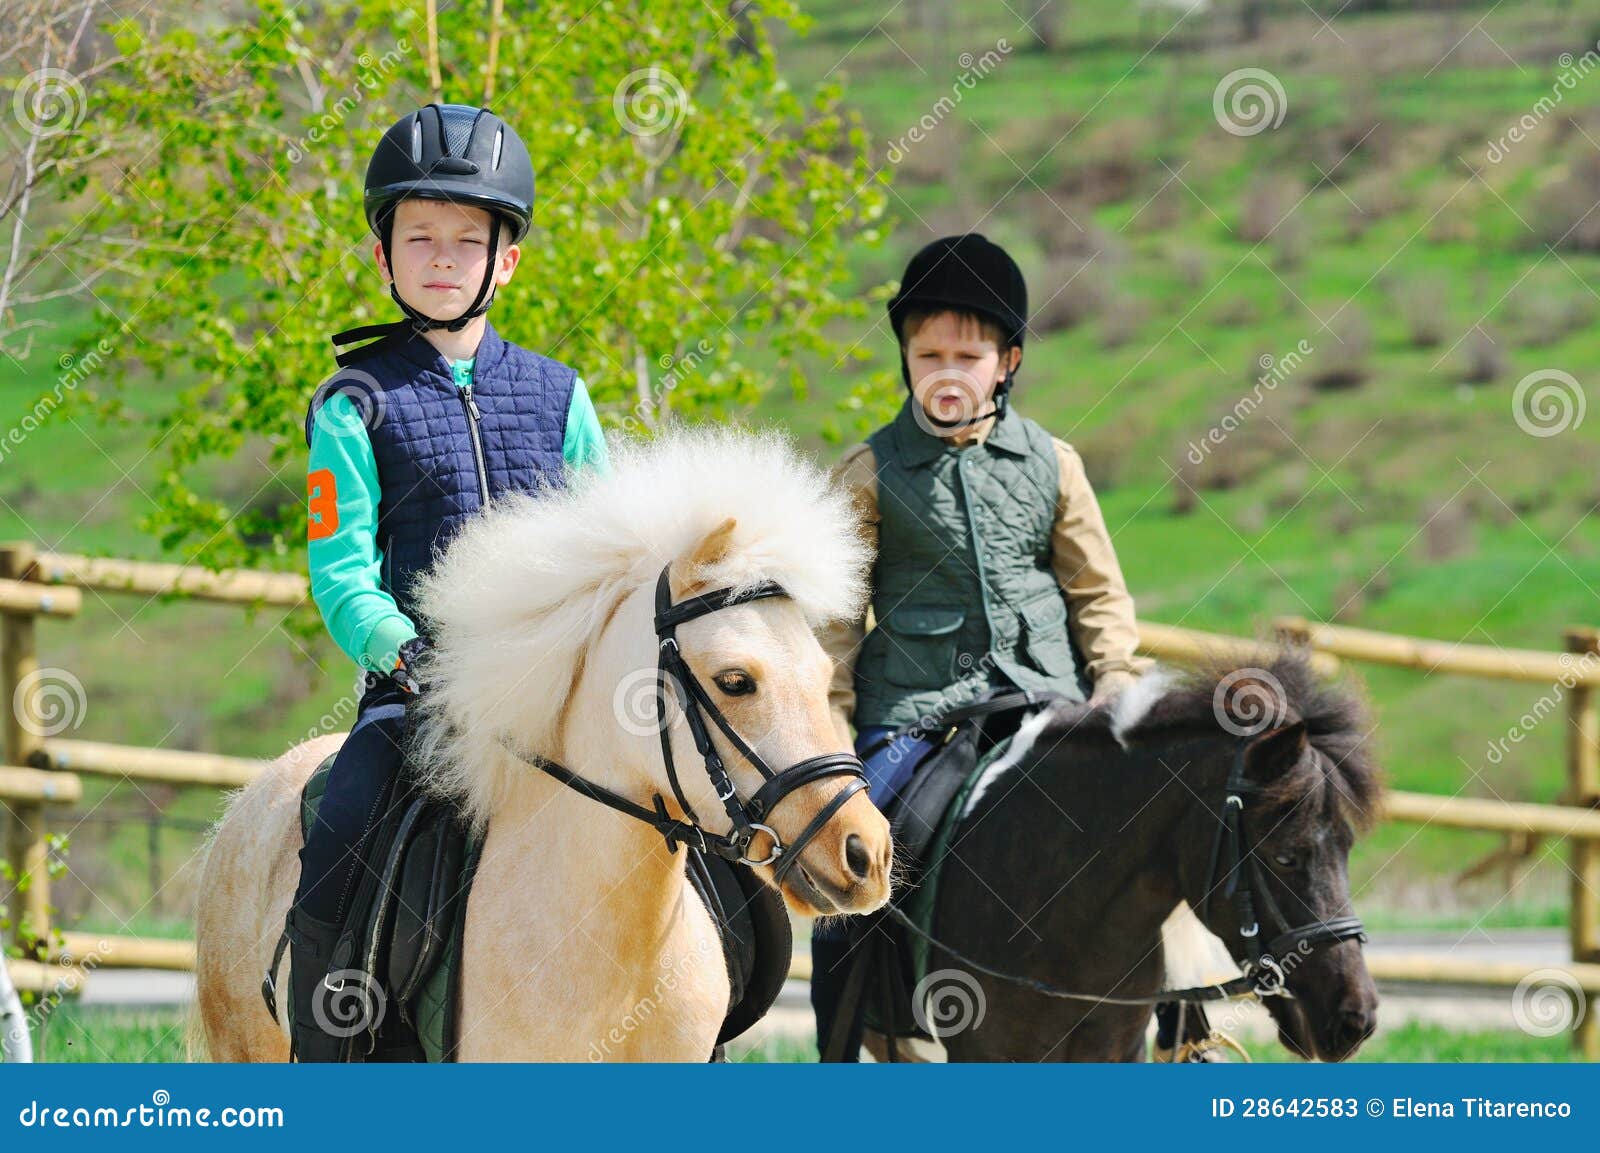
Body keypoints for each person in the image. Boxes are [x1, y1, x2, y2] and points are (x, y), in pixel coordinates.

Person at [286, 103, 608, 1061]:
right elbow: (341, 572)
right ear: (382, 257)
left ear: (503, 260)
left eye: (466, 240)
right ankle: (331, 1051)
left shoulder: (563, 395)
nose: (441, 258)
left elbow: (605, 552)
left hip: (557, 708)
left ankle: (696, 1031)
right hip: (418, 704)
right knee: (339, 835)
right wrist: (408, 654)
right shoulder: (353, 402)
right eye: (418, 237)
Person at [811, 233, 1149, 1060]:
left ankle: (1183, 1028)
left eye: (969, 352)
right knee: (864, 863)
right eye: (929, 353)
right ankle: (857, 1038)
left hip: (1050, 701)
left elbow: (1097, 591)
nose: (947, 369)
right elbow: (835, 623)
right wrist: (835, 736)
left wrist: (1115, 682)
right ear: (907, 360)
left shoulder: (1054, 465)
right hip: (919, 716)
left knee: (1152, 830)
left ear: (1008, 360)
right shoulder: (870, 470)